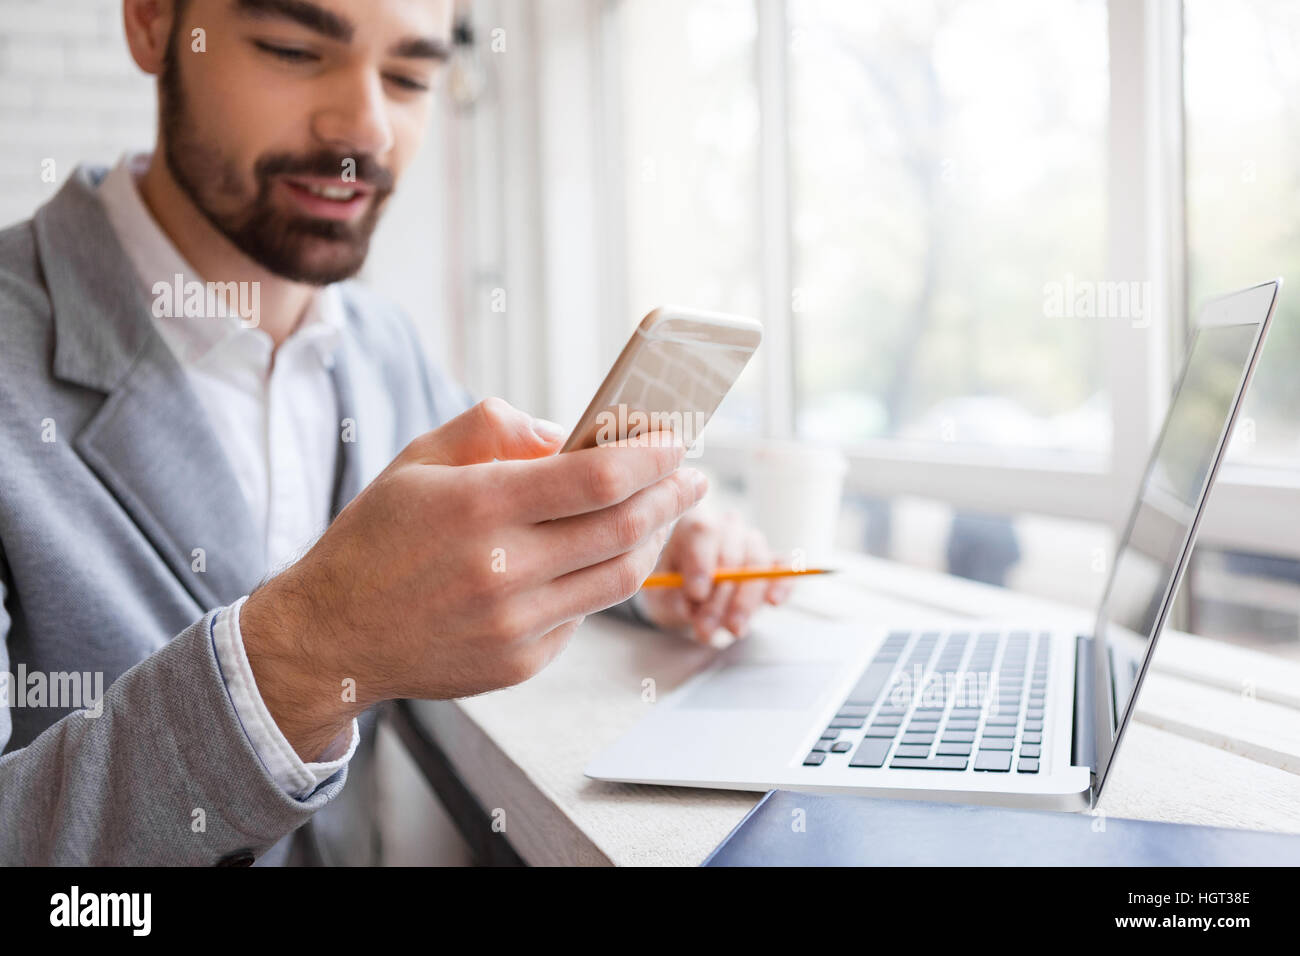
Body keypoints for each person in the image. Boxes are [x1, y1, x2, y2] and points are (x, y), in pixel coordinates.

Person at [0, 0, 790, 865]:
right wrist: (311, 652)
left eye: (411, 76)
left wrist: (642, 558)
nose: (364, 130)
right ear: (153, 22)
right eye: (293, 50)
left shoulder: (382, 349)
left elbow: (487, 539)